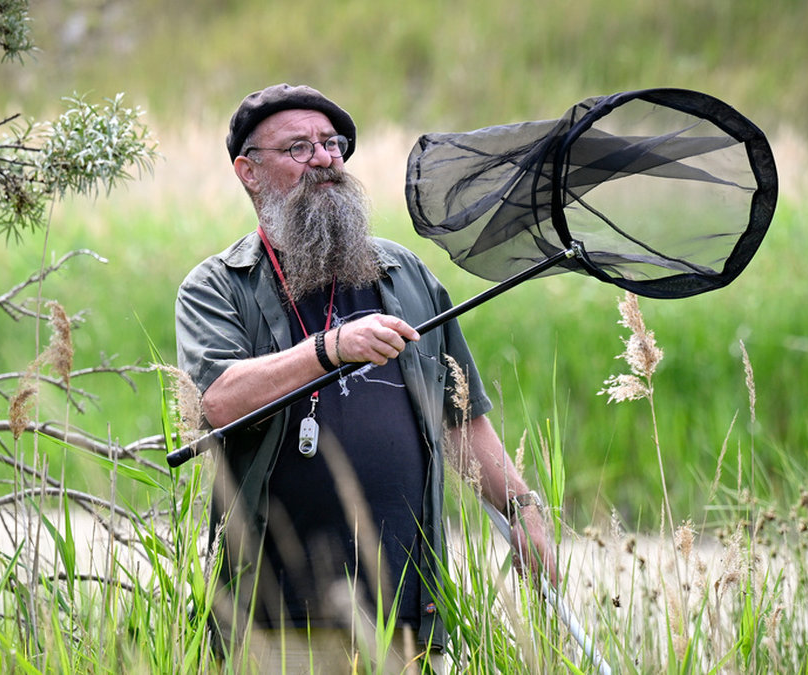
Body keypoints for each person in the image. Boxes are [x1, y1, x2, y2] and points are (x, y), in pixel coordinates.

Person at [175, 83, 555, 673]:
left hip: (407, 615)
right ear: (248, 172)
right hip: (275, 619)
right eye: (298, 148)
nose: (325, 159)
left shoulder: (406, 275)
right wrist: (328, 350)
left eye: (332, 144)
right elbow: (221, 401)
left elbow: (460, 418)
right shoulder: (219, 286)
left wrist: (522, 508)